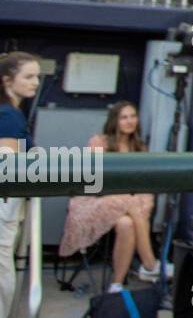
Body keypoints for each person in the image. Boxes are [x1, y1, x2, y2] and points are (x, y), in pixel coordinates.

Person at [58, 102, 165, 291]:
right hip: (95, 199)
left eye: (133, 116)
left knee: (127, 223)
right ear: (114, 120)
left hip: (128, 208)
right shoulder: (99, 142)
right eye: (124, 117)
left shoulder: (139, 147)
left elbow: (144, 186)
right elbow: (93, 178)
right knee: (130, 202)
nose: (129, 121)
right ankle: (149, 263)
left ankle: (116, 283)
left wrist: (141, 204)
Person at [0, 51, 40, 318]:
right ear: (7, 80)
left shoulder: (11, 113)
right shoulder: (8, 115)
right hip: (4, 206)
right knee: (2, 266)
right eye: (28, 76)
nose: (35, 82)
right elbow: (8, 168)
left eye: (37, 76)